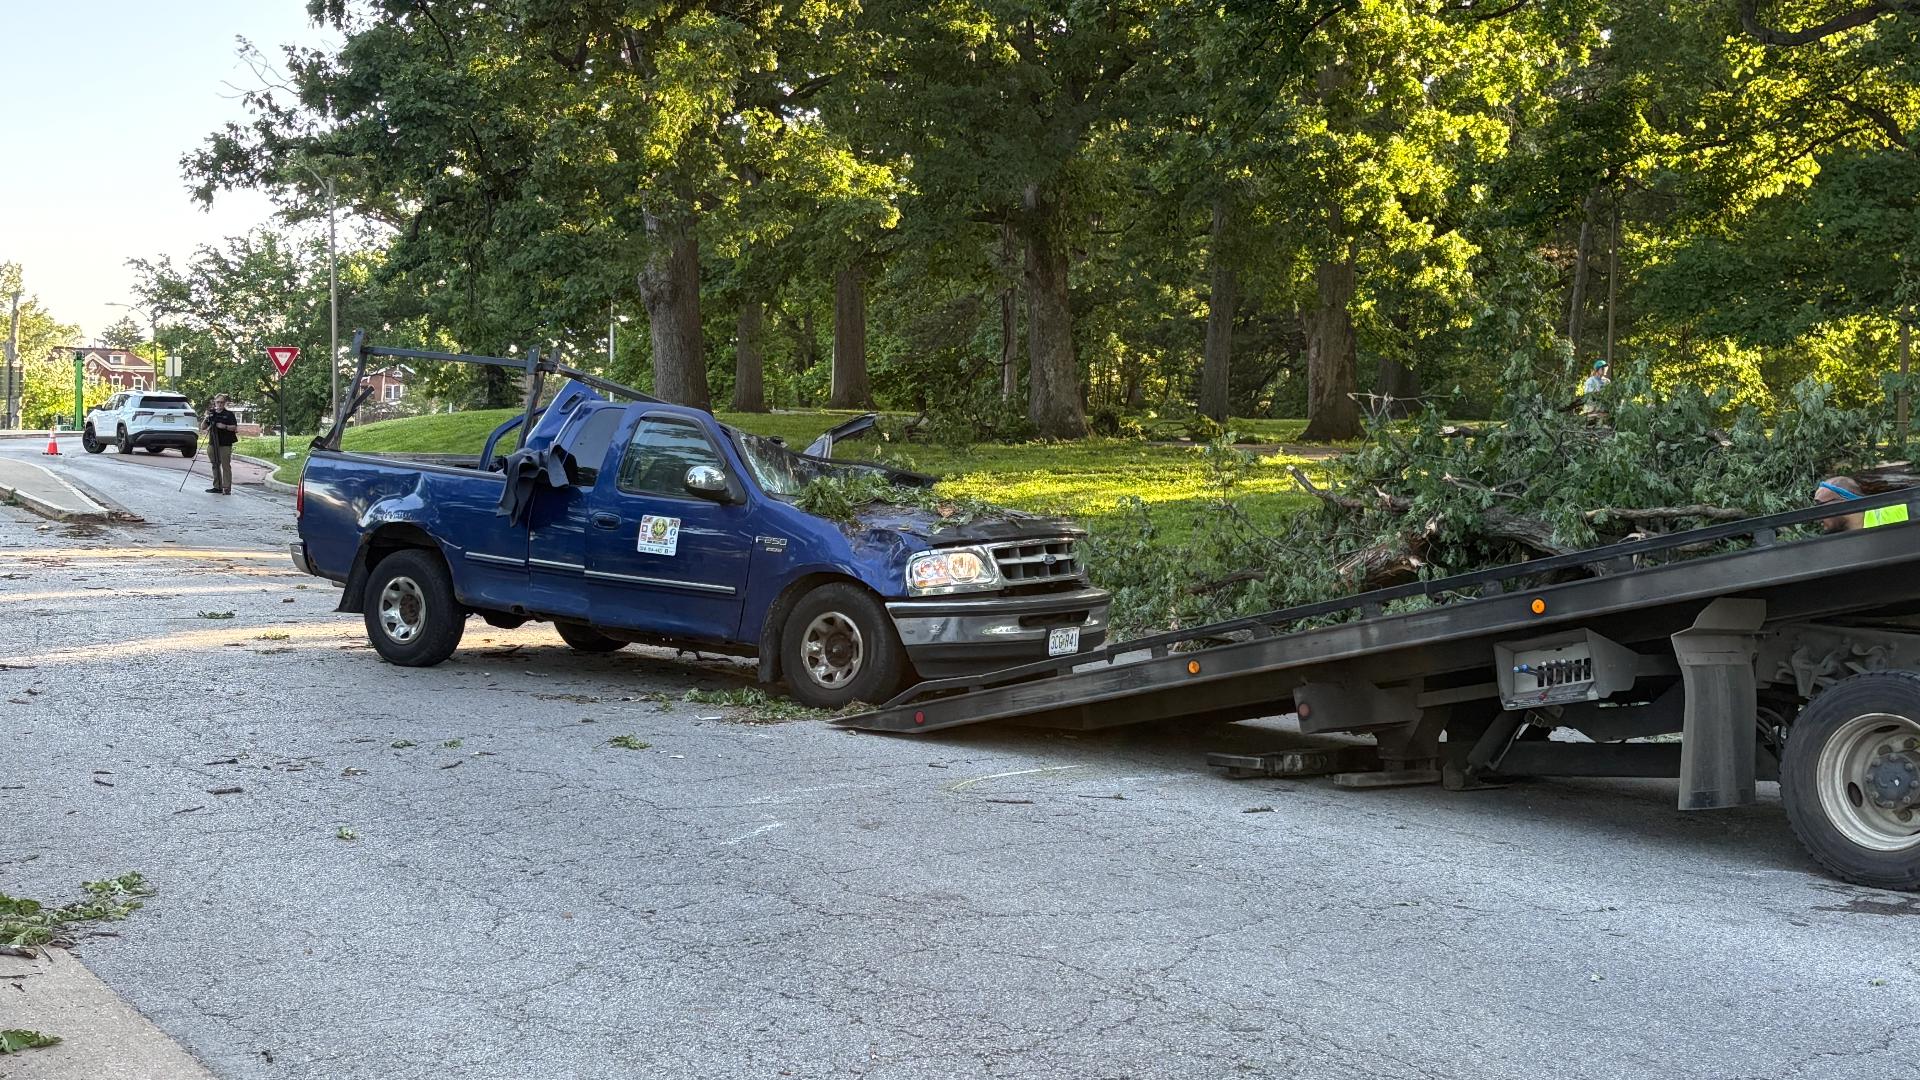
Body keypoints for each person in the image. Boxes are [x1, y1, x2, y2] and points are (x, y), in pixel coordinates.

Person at [1813, 475, 1910, 533]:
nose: (1817, 518)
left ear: (1843, 502)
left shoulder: (1896, 514)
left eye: (1820, 506)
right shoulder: (1834, 544)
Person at [203, 394, 238, 495]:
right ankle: (217, 487)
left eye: (222, 402)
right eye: (218, 402)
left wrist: (225, 426)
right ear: (214, 402)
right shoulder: (212, 413)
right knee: (215, 465)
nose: (220, 404)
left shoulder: (229, 414)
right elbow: (203, 427)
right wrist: (206, 417)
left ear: (225, 403)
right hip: (213, 443)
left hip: (225, 443)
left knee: (225, 465)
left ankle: (226, 488)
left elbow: (234, 427)